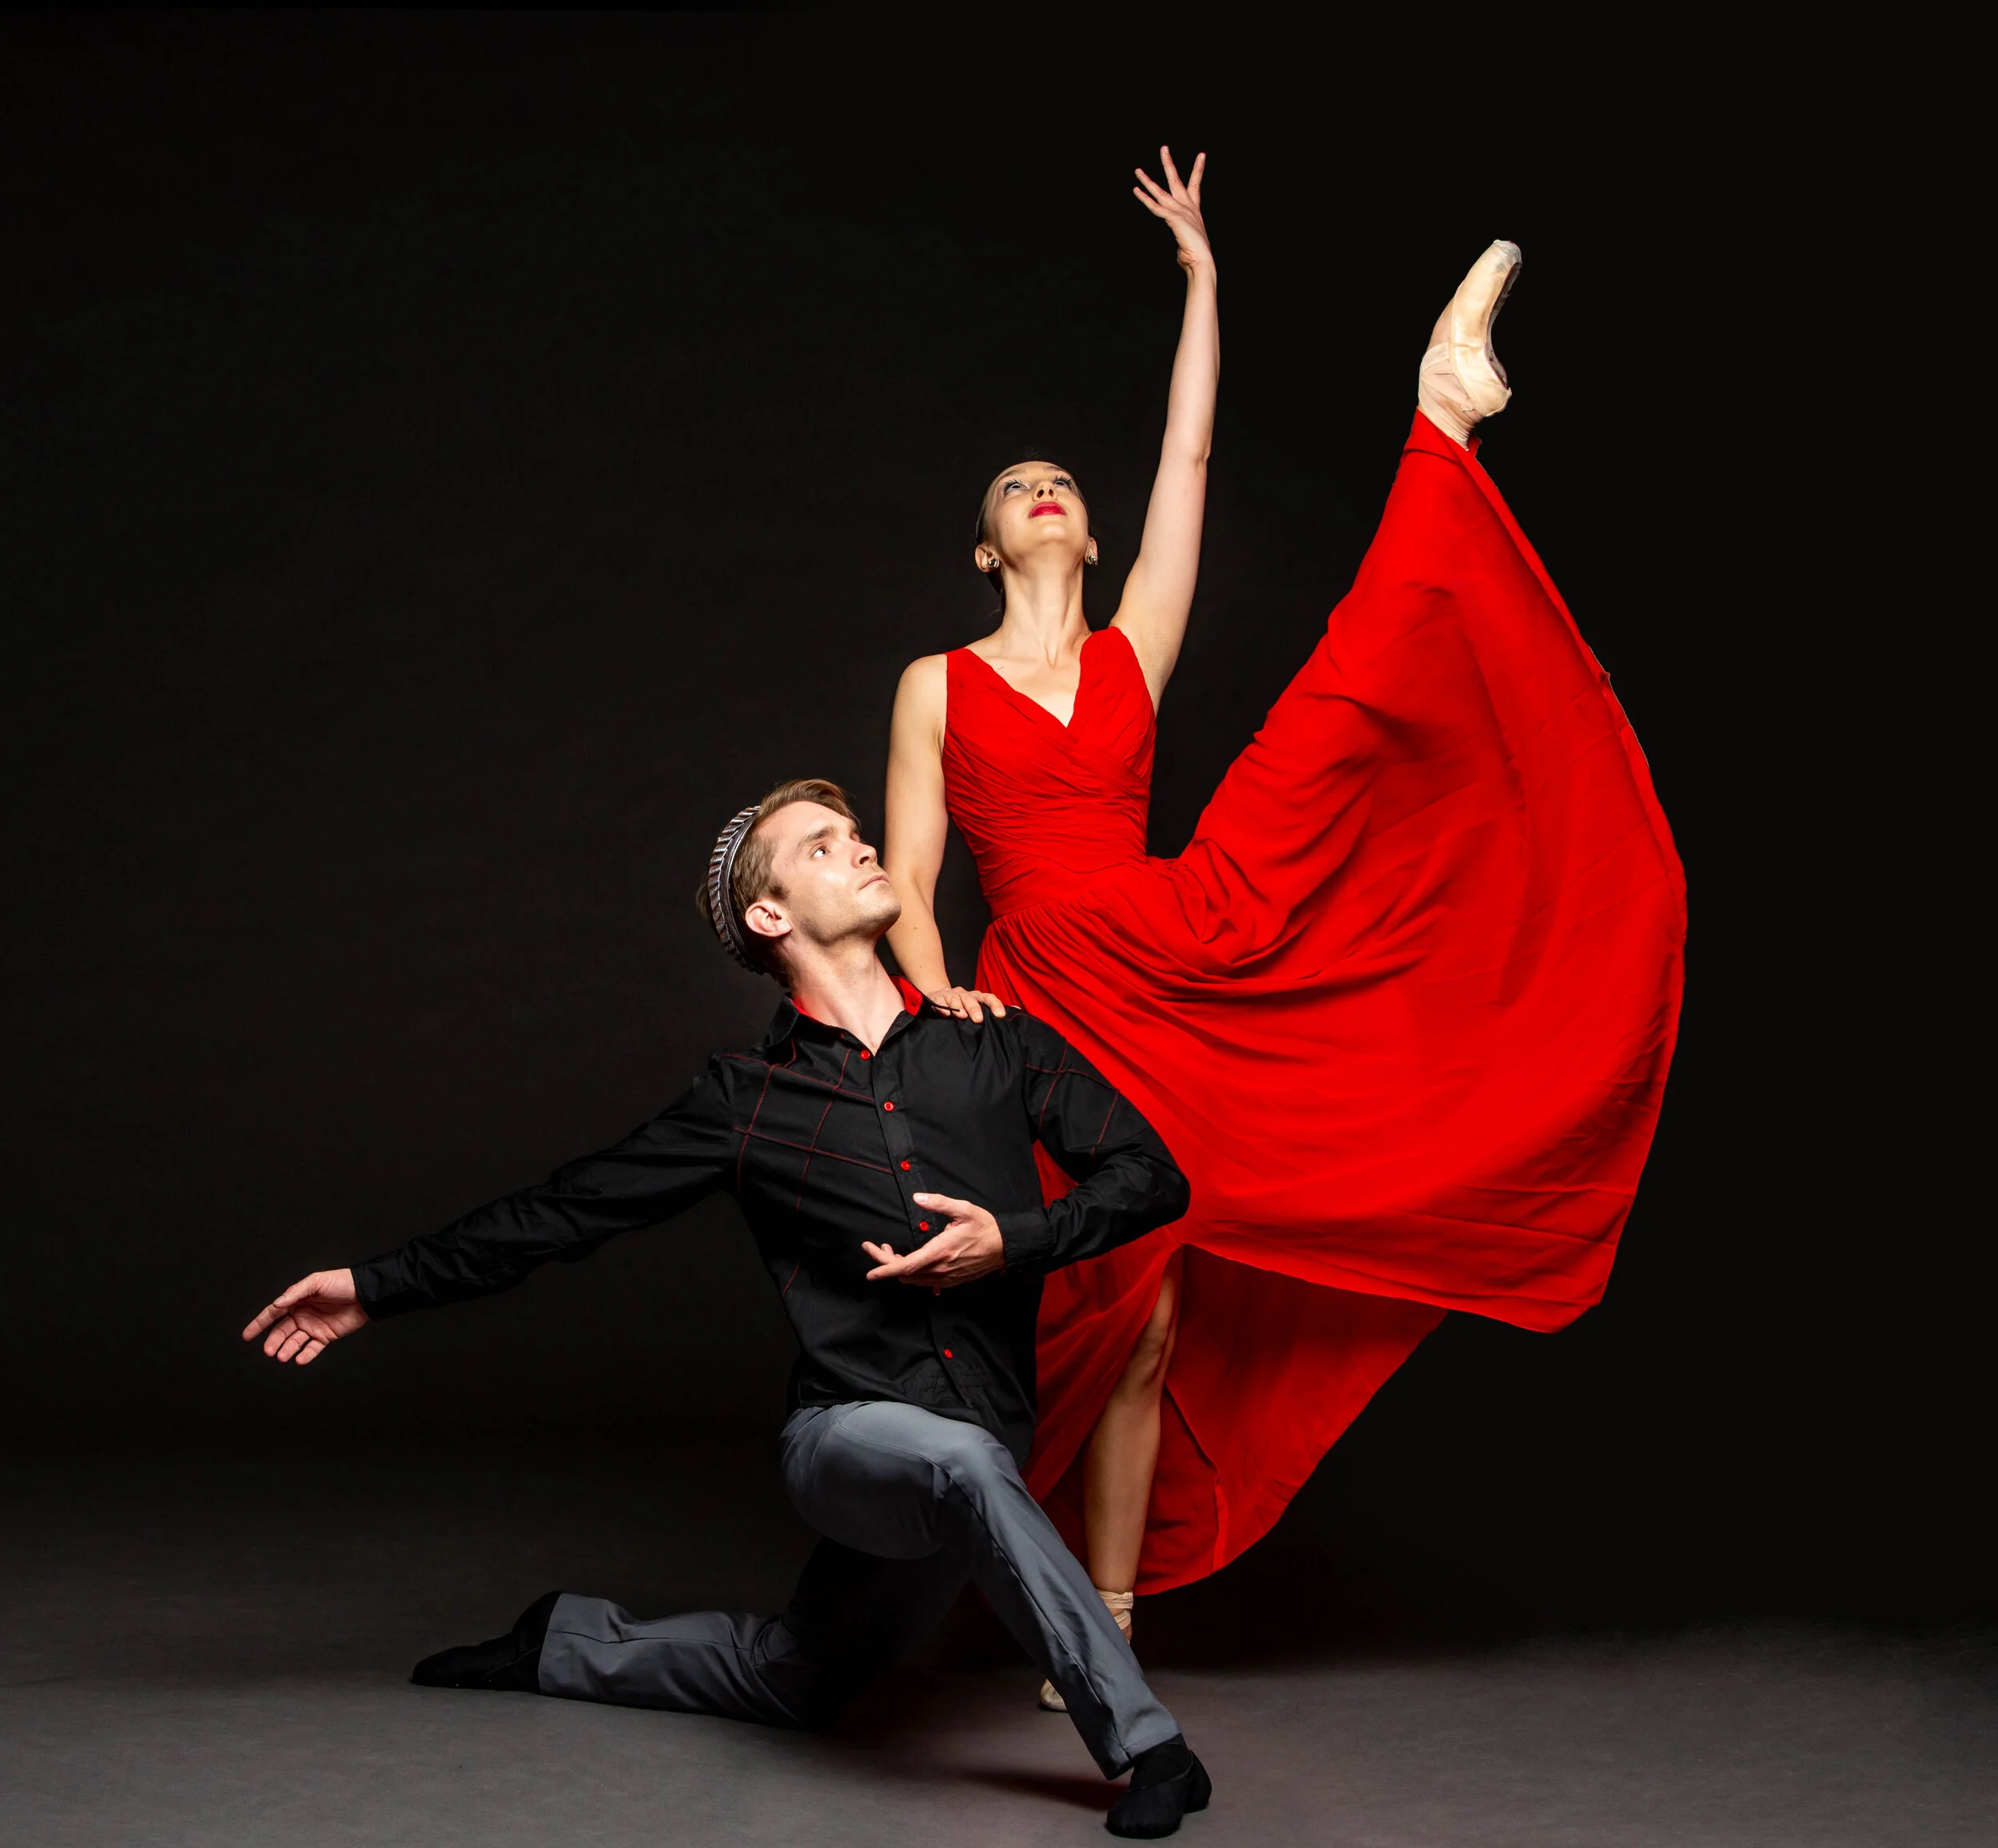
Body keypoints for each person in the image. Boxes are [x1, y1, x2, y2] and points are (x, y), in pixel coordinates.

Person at [882, 150, 1686, 1707]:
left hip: (1168, 946)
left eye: (1064, 485)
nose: (1045, 488)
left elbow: (1183, 457)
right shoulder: (937, 682)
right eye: (1014, 487)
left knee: (1329, 725)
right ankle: (996, 1571)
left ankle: (1108, 1618)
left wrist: (1200, 275)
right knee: (1082, 1301)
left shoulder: (1133, 648)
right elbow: (913, 881)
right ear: (987, 550)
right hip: (1035, 993)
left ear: (1089, 540)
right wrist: (939, 1001)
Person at [241, 779, 1213, 1839]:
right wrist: (374, 1287)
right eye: (823, 845)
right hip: (846, 1433)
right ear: (770, 915)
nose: (863, 849)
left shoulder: (996, 1044)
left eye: (857, 835)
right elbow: (564, 1212)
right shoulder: (744, 1100)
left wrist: (1010, 1241)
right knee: (965, 1463)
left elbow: (1151, 1177)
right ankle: (1149, 1747)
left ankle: (559, 1642)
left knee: (801, 1679)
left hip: (982, 1444)